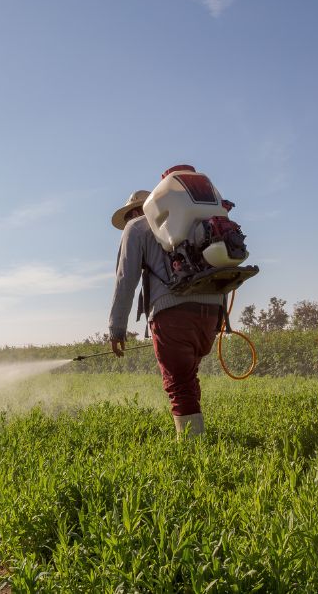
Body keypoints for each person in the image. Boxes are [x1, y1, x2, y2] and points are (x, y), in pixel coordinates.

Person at [107, 170, 223, 438]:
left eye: (129, 215)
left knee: (179, 383)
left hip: (172, 314)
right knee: (187, 376)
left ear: (137, 211)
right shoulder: (191, 221)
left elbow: (126, 279)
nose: (128, 220)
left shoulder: (136, 228)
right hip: (210, 313)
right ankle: (199, 435)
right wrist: (218, 319)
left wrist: (116, 327)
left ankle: (194, 452)